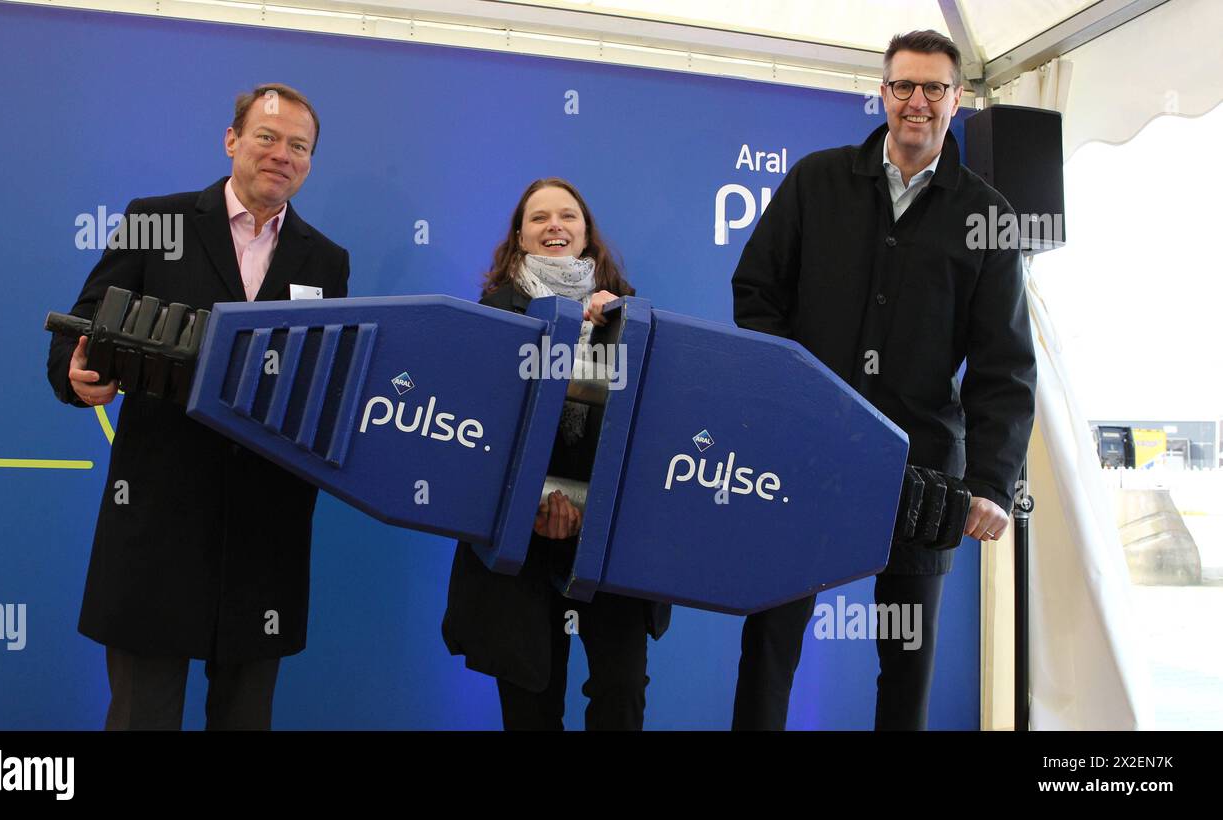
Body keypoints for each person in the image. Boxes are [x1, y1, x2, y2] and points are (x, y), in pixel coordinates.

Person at [729, 31, 1036, 730]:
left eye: (933, 88)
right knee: (770, 643)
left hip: (923, 471)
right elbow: (755, 293)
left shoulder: (987, 217)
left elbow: (1004, 366)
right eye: (904, 86)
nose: (917, 102)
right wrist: (800, 394)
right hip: (806, 458)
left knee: (906, 661)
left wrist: (991, 482)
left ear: (958, 99)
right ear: (882, 93)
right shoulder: (816, 180)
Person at [46, 84, 350, 730]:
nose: (281, 154)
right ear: (231, 140)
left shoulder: (327, 260)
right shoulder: (157, 222)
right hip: (157, 518)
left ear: (310, 164)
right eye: (267, 136)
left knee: (245, 719)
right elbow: (82, 328)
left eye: (299, 146)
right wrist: (76, 374)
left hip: (265, 533)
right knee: (142, 718)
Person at [442, 178, 671, 730]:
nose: (554, 226)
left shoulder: (633, 316)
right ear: (519, 237)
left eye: (567, 216)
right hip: (519, 549)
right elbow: (475, 432)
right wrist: (538, 501)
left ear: (587, 234)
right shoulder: (493, 314)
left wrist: (613, 327)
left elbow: (654, 433)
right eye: (539, 218)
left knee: (621, 696)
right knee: (531, 709)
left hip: (610, 548)